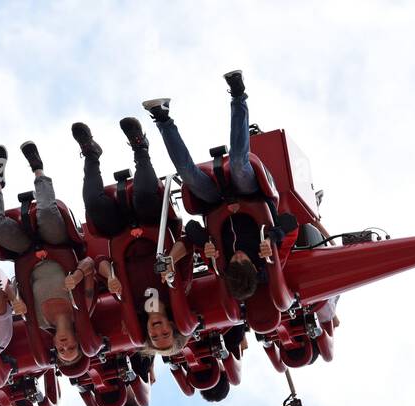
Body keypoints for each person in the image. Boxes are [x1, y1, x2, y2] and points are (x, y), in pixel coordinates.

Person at [143, 71, 285, 301]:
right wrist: (272, 238)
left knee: (187, 174)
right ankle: (238, 95)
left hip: (216, 201)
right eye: (243, 259)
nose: (238, 255)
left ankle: (162, 117)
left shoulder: (219, 260)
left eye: (234, 260)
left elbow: (190, 228)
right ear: (252, 265)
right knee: (239, 161)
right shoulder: (266, 254)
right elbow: (285, 224)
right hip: (249, 193)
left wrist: (205, 243)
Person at [0, 143, 85, 366]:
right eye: (71, 348)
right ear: (78, 341)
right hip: (57, 244)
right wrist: (77, 276)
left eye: (61, 350)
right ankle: (38, 168)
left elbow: (9, 285)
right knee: (48, 212)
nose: (64, 344)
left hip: (26, 253)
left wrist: (13, 299)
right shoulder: (83, 308)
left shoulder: (36, 320)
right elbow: (89, 264)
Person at [71, 117, 165, 237]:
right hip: (117, 226)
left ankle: (140, 148)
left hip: (150, 218)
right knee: (93, 202)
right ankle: (93, 152)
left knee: (143, 193)